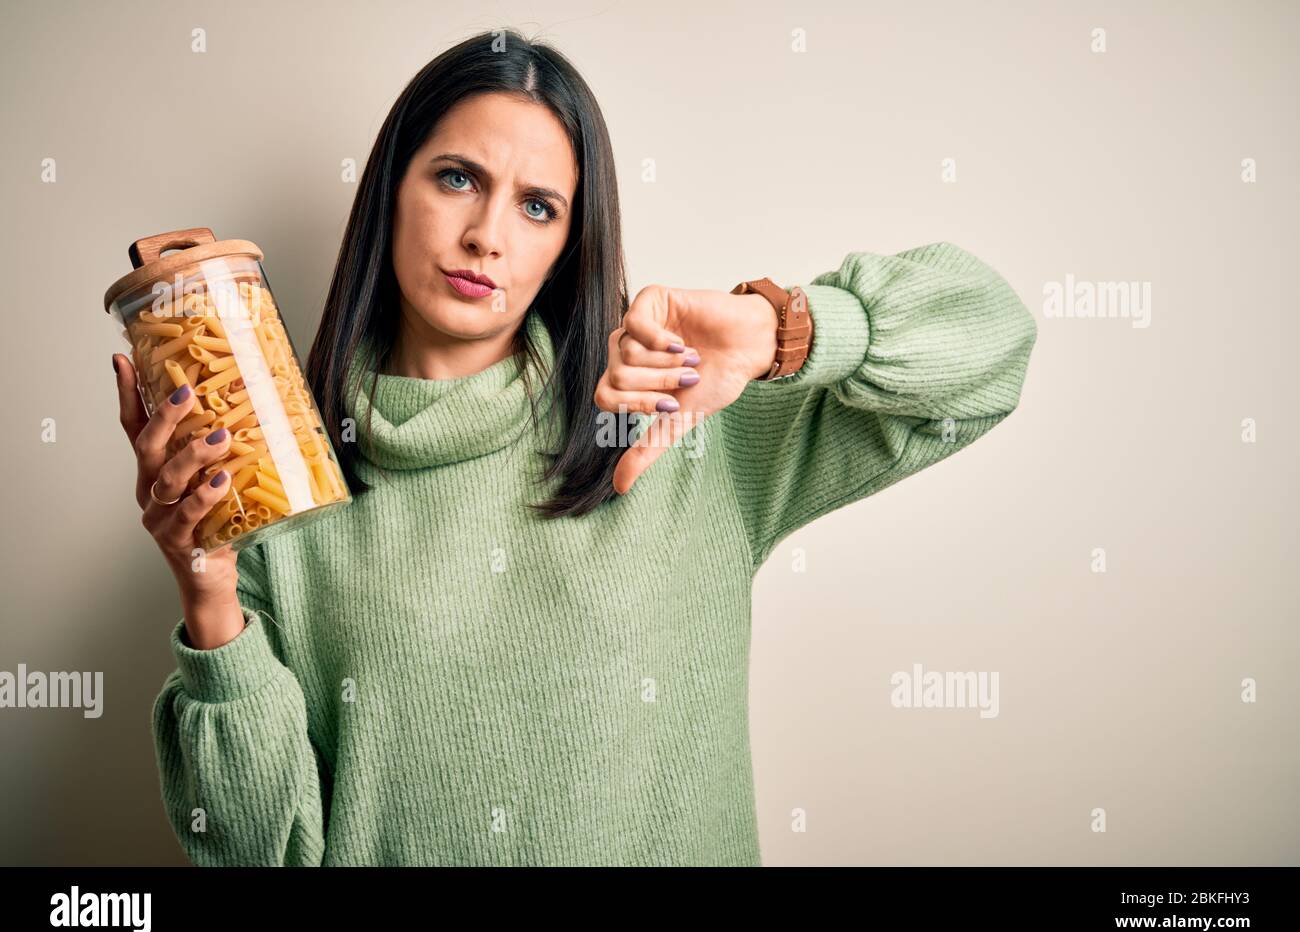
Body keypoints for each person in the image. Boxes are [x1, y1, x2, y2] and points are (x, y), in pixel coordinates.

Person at [113, 28, 1038, 865]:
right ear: (390, 190)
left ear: (570, 243)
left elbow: (993, 348)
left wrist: (782, 330)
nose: (486, 236)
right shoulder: (281, 498)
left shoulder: (672, 414)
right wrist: (207, 593)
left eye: (538, 207)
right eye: (457, 177)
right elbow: (256, 858)